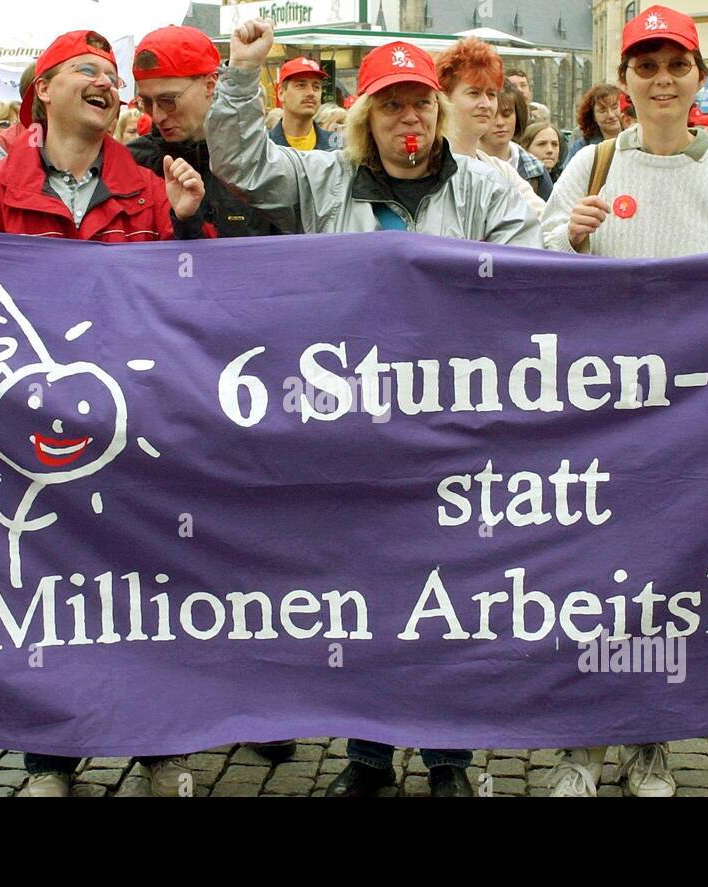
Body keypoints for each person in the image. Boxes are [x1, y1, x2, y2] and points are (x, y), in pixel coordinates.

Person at [208, 18, 540, 796]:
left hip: (456, 433)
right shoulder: (323, 180)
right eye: (389, 107)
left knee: (450, 603)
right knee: (367, 599)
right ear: (364, 119)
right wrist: (240, 73)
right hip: (352, 435)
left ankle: (449, 757)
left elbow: (531, 276)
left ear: (436, 111)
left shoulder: (486, 185)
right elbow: (239, 160)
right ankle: (367, 755)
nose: (408, 120)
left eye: (418, 104)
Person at [0, 30, 208, 797]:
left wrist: (187, 227)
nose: (107, 81)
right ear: (46, 89)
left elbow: (188, 312)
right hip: (30, 438)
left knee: (141, 591)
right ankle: (51, 760)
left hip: (132, 438)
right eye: (88, 70)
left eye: (111, 74)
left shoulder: (151, 192)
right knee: (48, 598)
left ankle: (158, 747)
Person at [542, 5, 708, 797]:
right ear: (626, 81)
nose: (662, 79)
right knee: (591, 587)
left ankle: (650, 741)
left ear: (698, 78)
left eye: (676, 65)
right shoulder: (592, 166)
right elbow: (528, 266)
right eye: (647, 66)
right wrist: (567, 236)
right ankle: (582, 745)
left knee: (665, 589)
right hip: (596, 418)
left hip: (689, 426)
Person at [127, 25, 280, 239]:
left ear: (210, 85)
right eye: (146, 102)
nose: (157, 115)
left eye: (168, 101)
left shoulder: (258, 161)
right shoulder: (130, 164)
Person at [437, 36, 544, 217]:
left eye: (491, 94)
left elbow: (545, 220)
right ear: (445, 97)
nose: (486, 104)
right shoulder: (423, 167)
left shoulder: (501, 171)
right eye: (474, 93)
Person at [481, 81, 553, 199]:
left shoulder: (536, 171)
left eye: (507, 114)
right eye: (493, 115)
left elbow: (549, 216)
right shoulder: (459, 163)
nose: (500, 123)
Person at [270, 56, 338, 151]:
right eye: (301, 85)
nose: (310, 93)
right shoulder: (266, 147)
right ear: (281, 93)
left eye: (316, 87)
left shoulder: (336, 146)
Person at [563, 83, 624, 169]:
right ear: (593, 117)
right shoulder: (581, 147)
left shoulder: (637, 139)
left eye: (615, 107)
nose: (611, 115)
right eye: (602, 111)